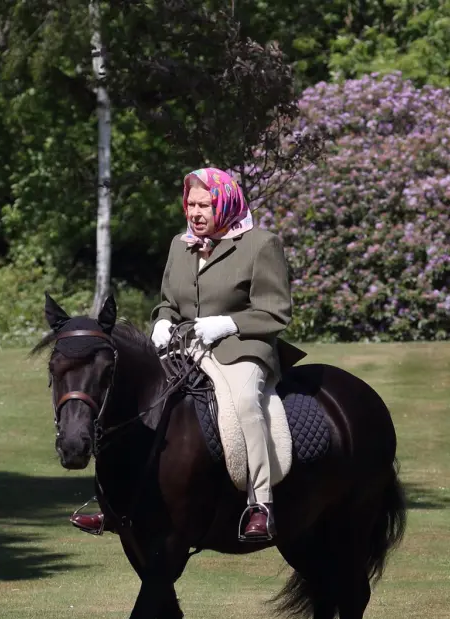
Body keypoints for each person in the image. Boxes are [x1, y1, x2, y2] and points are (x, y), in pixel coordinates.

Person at [70, 167, 292, 541]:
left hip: (241, 347)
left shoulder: (261, 244)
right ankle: (110, 504)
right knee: (127, 397)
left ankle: (260, 504)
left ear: (225, 202)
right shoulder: (180, 243)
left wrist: (228, 324)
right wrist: (162, 321)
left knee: (243, 403)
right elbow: (169, 303)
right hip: (185, 347)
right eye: (191, 204)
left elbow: (275, 311)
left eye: (204, 204)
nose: (195, 212)